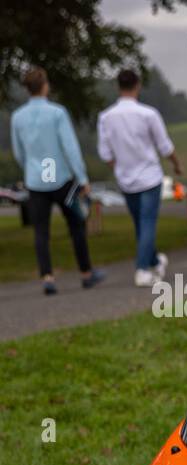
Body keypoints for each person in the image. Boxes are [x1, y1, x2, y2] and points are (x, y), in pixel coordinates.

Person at [9, 66, 105, 295]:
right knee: (77, 226)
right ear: (45, 86)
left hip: (35, 180)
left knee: (41, 231)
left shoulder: (17, 117)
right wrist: (82, 177)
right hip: (61, 178)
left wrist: (30, 169)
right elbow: (70, 147)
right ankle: (86, 273)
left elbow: (18, 152)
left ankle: (47, 277)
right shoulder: (57, 113)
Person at [96, 68, 184, 287]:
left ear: (118, 87)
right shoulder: (148, 114)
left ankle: (154, 260)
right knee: (146, 223)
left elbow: (105, 153)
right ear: (138, 85)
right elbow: (164, 146)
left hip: (126, 178)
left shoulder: (106, 117)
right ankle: (142, 269)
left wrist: (119, 166)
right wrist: (176, 164)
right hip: (149, 176)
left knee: (140, 223)